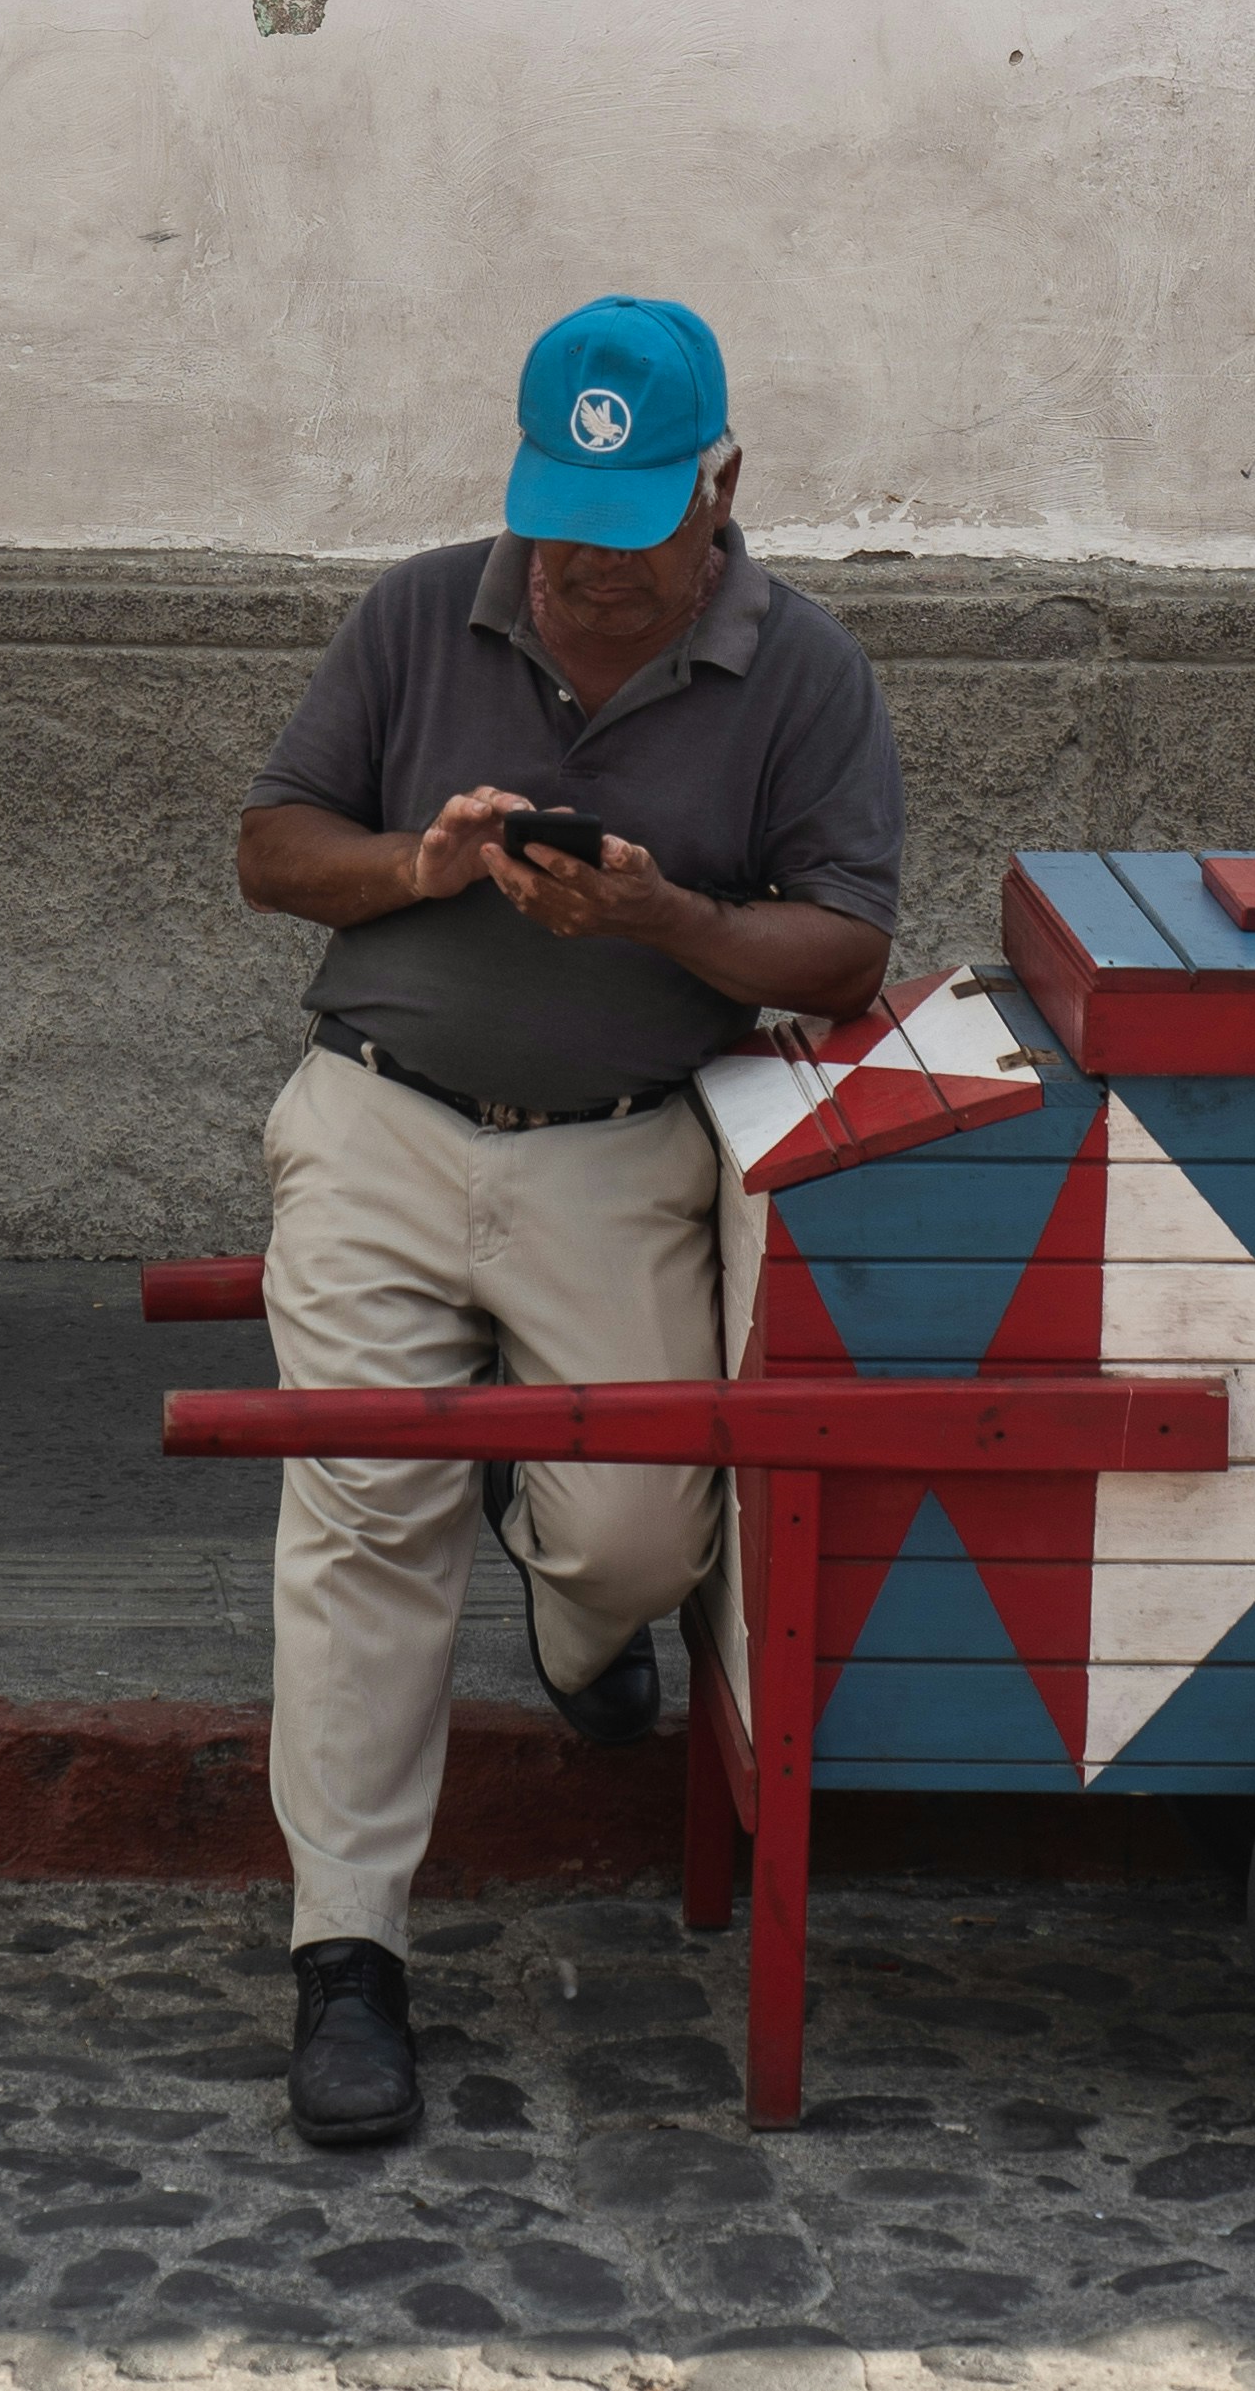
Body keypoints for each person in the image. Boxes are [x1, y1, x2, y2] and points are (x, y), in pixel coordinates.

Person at [236, 293, 905, 2150]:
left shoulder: (807, 672)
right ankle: (346, 1952)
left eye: (627, 551)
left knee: (630, 1537)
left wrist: (665, 923)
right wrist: (414, 865)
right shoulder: (419, 606)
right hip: (380, 1118)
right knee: (365, 1509)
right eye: (559, 540)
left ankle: (576, 1619)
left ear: (722, 487)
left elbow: (845, 948)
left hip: (622, 1146)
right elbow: (268, 841)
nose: (585, 589)